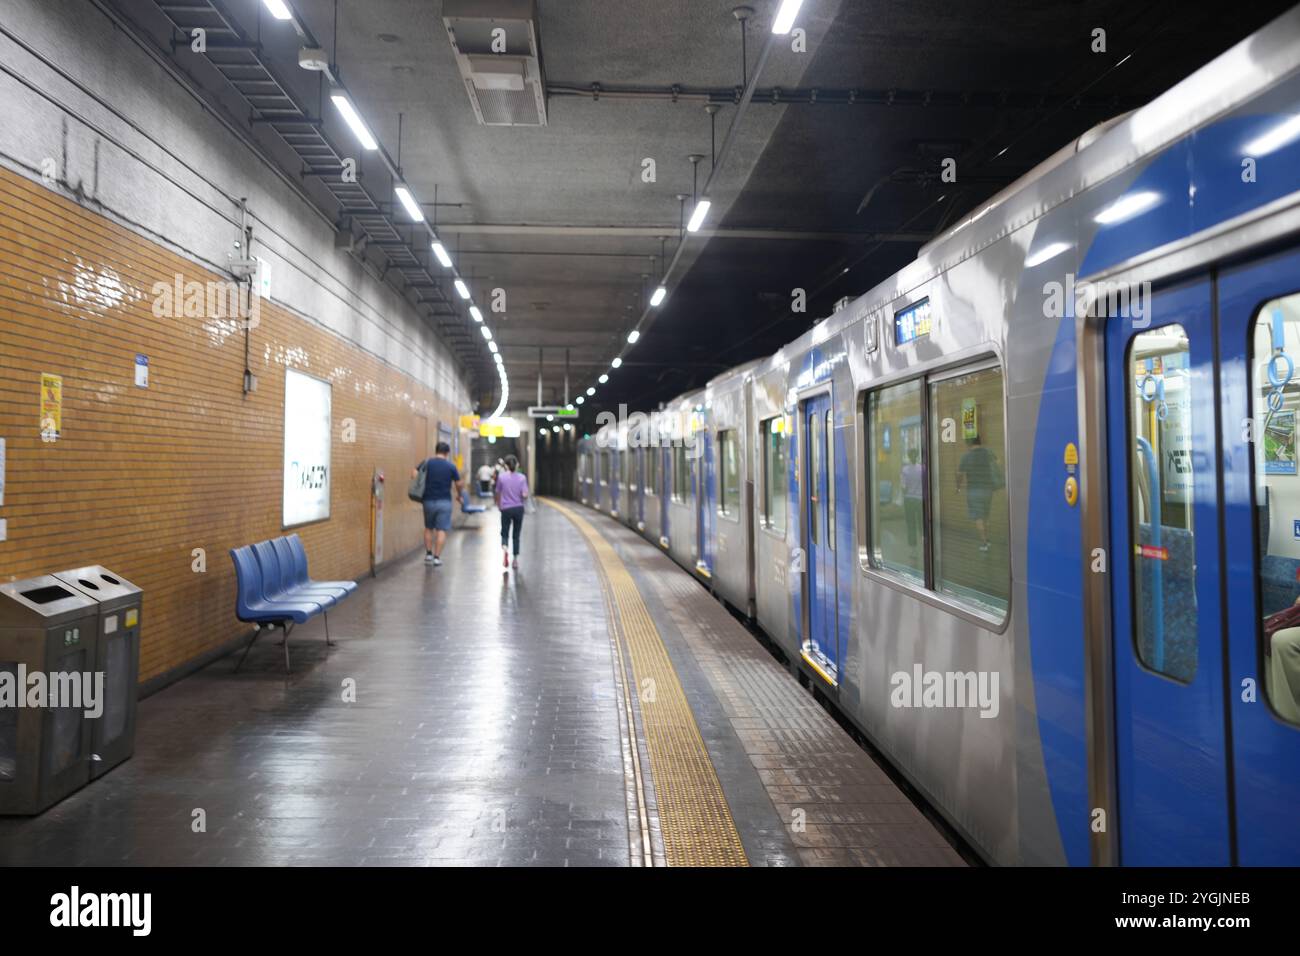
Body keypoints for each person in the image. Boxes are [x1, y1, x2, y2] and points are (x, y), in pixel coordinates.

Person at [413, 441, 462, 566]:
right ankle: (436, 557)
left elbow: (414, 473)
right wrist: (459, 495)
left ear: (436, 451)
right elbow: (458, 483)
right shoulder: (451, 466)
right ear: (447, 453)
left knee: (428, 527)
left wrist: (419, 484)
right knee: (441, 530)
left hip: (428, 500)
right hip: (444, 502)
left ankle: (428, 554)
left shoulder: (427, 463)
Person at [955, 435, 1001, 553]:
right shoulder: (988, 452)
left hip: (974, 490)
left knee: (978, 517)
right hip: (988, 490)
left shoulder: (966, 456)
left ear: (969, 443)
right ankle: (987, 538)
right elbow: (997, 464)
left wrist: (958, 487)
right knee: (985, 514)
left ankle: (984, 543)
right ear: (980, 441)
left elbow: (959, 474)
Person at [494, 455, 529, 570]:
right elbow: (525, 494)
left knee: (505, 532)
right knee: (516, 535)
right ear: (517, 465)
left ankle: (505, 549)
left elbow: (498, 493)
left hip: (506, 509)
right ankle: (515, 560)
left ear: (505, 466)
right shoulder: (522, 478)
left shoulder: (501, 477)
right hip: (518, 508)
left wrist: (499, 505)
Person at [901, 447, 924, 548]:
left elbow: (903, 487)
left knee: (911, 524)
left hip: (909, 500)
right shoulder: (922, 468)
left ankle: (913, 548)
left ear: (909, 456)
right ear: (917, 455)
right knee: (922, 524)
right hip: (920, 499)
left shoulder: (905, 470)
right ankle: (924, 544)